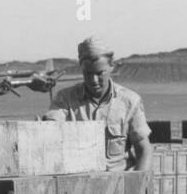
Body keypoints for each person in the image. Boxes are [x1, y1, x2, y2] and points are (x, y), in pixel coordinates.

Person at [45, 37, 152, 171]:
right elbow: (50, 127)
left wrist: (138, 185)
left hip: (119, 183)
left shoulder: (130, 102)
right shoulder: (65, 99)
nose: (94, 80)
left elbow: (144, 149)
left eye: (100, 73)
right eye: (87, 74)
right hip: (80, 182)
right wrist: (46, 126)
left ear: (111, 67)